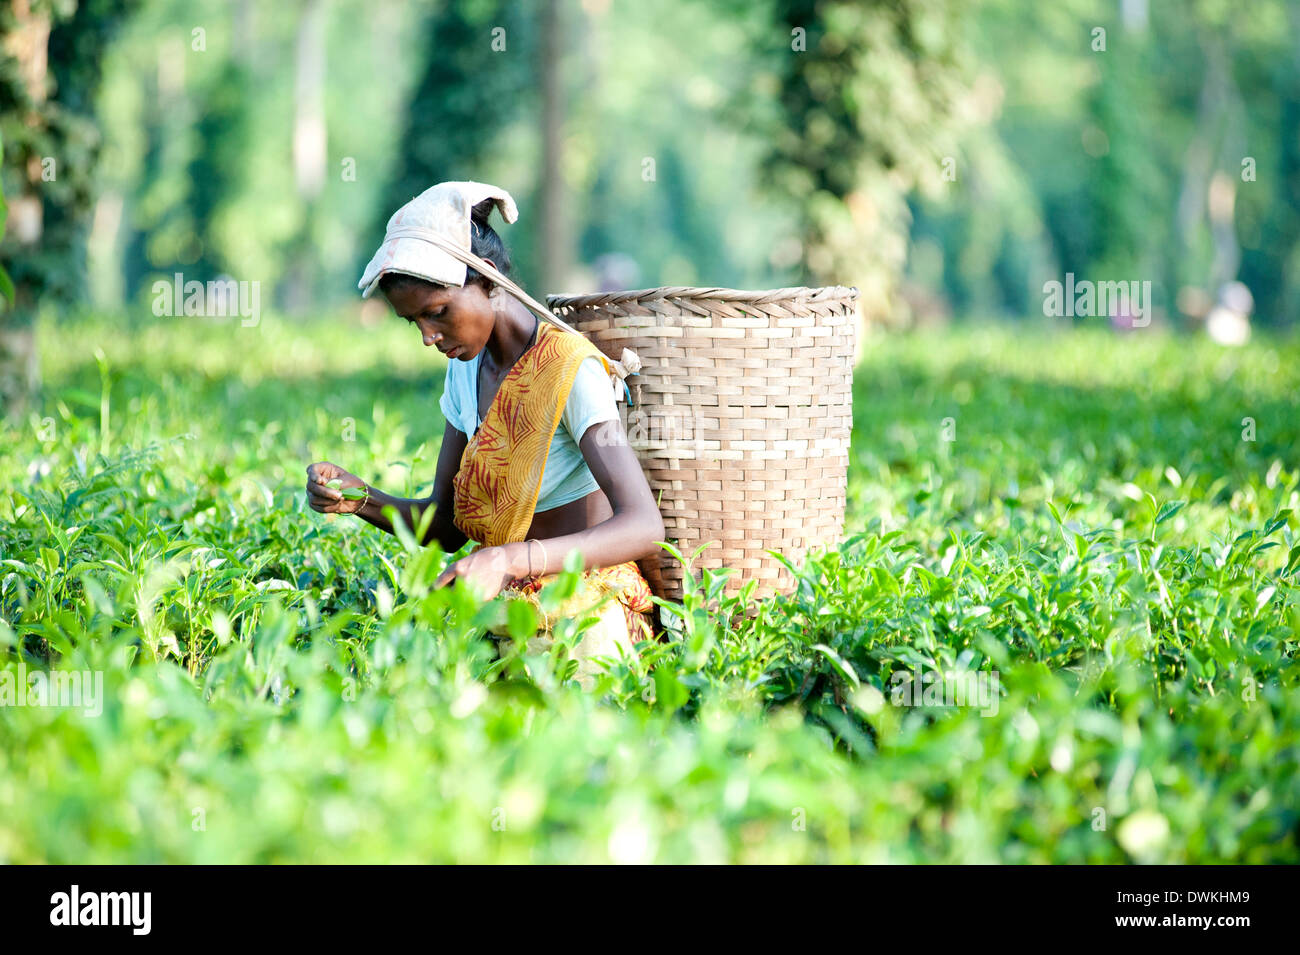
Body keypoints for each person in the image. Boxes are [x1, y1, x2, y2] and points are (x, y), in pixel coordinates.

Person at [305, 181, 664, 687]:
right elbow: (448, 527)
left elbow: (644, 525)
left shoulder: (569, 369)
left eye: (437, 313)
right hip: (499, 593)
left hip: (581, 600)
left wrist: (513, 558)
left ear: (489, 279)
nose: (430, 337)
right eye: (415, 324)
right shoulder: (464, 372)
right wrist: (359, 499)